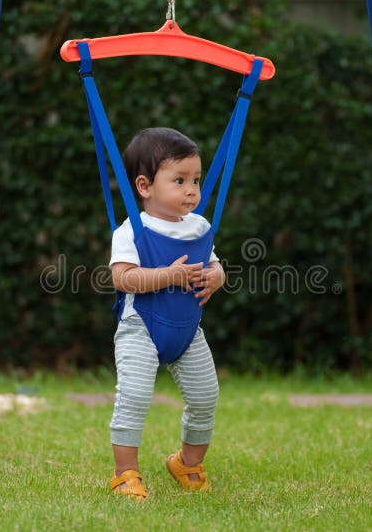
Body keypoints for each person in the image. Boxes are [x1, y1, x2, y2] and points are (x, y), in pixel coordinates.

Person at [107, 127, 226, 500]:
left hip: (187, 331)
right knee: (135, 397)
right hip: (140, 327)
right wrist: (169, 276)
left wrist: (217, 277)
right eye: (180, 180)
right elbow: (122, 278)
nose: (193, 190)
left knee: (206, 395)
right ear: (145, 186)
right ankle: (125, 473)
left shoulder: (200, 227)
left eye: (196, 180)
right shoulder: (132, 230)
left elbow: (215, 263)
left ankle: (187, 462)